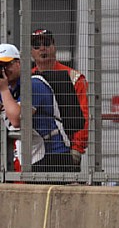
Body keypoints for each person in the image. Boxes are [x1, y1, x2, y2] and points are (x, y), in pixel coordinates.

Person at [0, 43, 73, 172]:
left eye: (8, 64)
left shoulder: (34, 84)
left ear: (19, 63)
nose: (4, 70)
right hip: (31, 155)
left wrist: (4, 90)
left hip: (53, 156)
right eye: (0, 67)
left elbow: (17, 120)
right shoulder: (8, 90)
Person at [28, 28, 88, 169]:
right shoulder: (26, 79)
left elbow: (84, 115)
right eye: (36, 45)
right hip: (32, 150)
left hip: (63, 148)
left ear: (55, 47)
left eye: (47, 43)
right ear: (31, 51)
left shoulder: (74, 78)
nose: (42, 49)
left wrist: (77, 149)